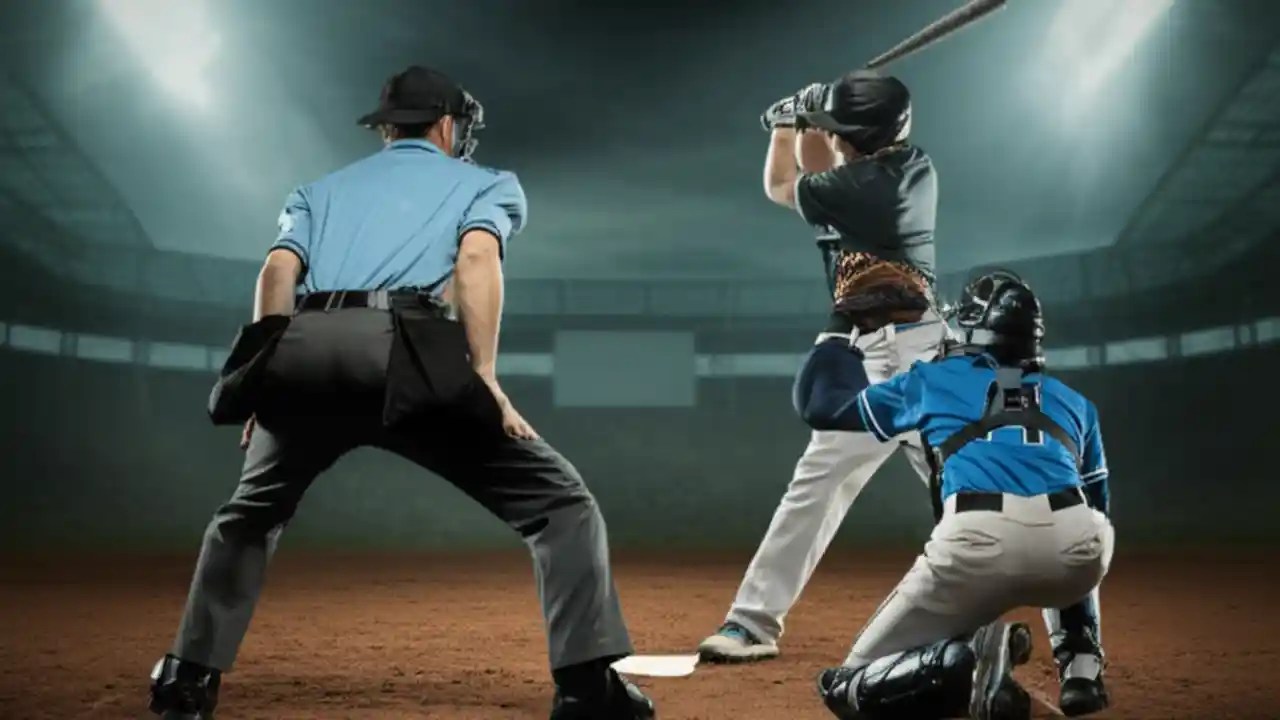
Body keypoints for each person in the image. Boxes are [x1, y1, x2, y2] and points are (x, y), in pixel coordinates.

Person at [146, 65, 655, 720]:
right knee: (560, 504)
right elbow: (476, 261)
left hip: (303, 349)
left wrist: (261, 383)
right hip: (406, 350)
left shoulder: (317, 190)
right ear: (448, 126)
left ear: (386, 127)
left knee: (248, 514)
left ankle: (186, 679)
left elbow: (277, 271)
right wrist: (486, 376)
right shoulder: (488, 183)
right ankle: (588, 690)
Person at [699, 69, 947, 663]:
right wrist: (813, 117)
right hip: (872, 352)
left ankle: (1039, 628)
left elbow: (785, 183)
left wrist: (786, 122)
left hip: (916, 358)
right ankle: (751, 621)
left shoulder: (869, 188)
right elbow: (821, 173)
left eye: (838, 131)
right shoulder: (905, 164)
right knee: (817, 484)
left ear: (855, 140)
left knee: (968, 489)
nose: (831, 138)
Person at [792, 270, 1115, 720]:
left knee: (849, 685)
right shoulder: (1075, 402)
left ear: (971, 328)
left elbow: (820, 405)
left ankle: (966, 664)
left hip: (977, 546)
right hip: (1080, 553)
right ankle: (1081, 669)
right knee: (1074, 511)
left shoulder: (934, 380)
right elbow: (1098, 506)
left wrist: (838, 331)